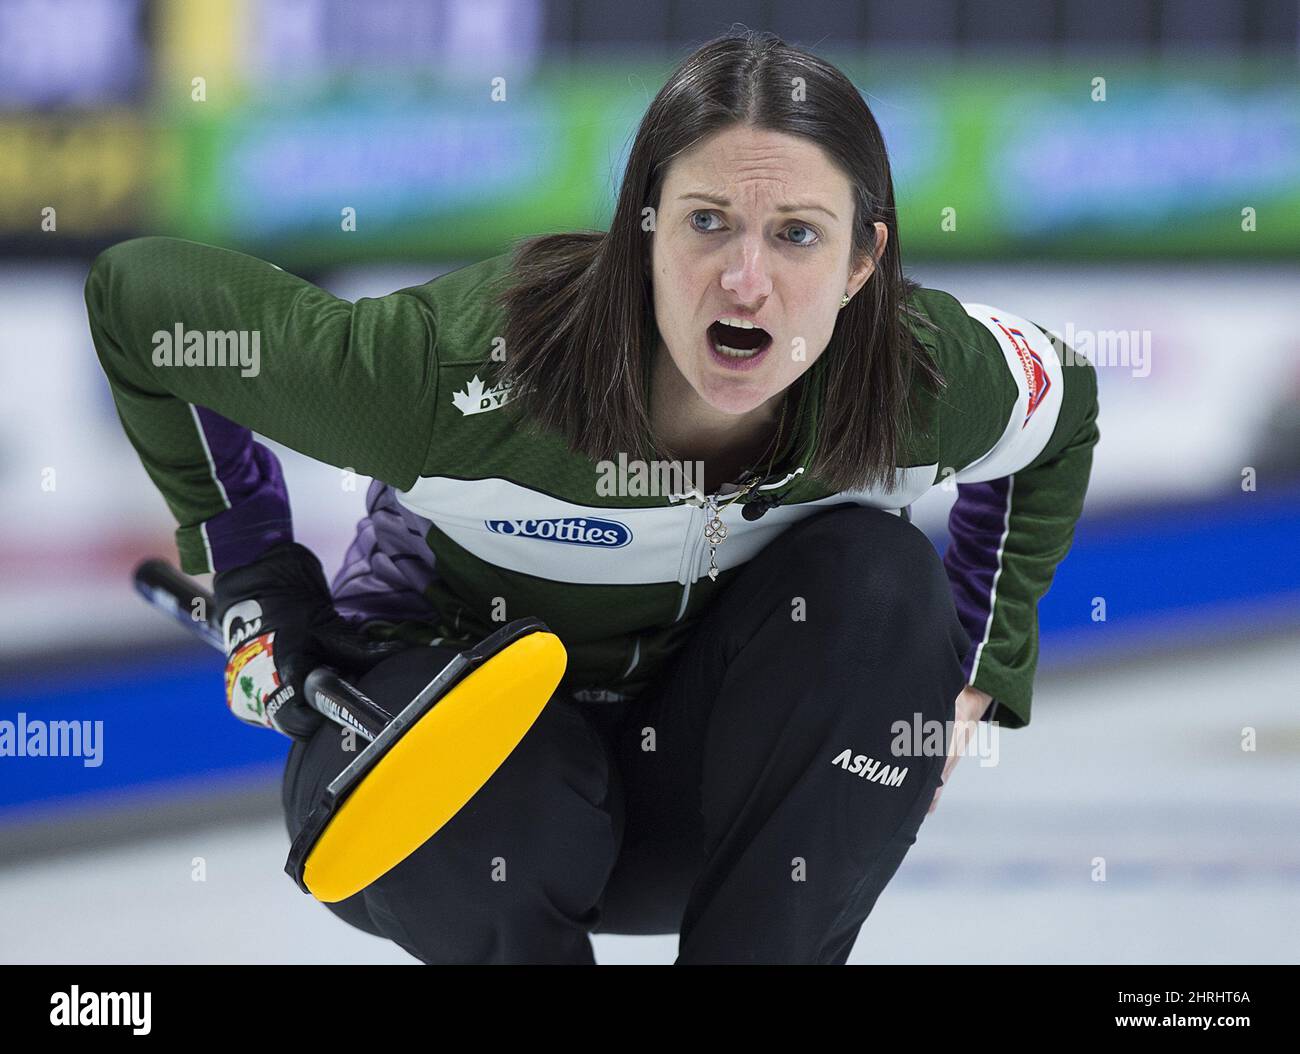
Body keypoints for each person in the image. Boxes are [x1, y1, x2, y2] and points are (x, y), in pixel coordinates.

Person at [85, 30, 1099, 964]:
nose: (746, 281)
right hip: (450, 772)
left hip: (695, 808)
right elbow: (140, 300)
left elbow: (1062, 414)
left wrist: (971, 674)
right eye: (708, 223)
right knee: (505, 789)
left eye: (797, 235)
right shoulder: (444, 373)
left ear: (862, 263)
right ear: (641, 231)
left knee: (882, 582)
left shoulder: (924, 376)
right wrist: (257, 563)